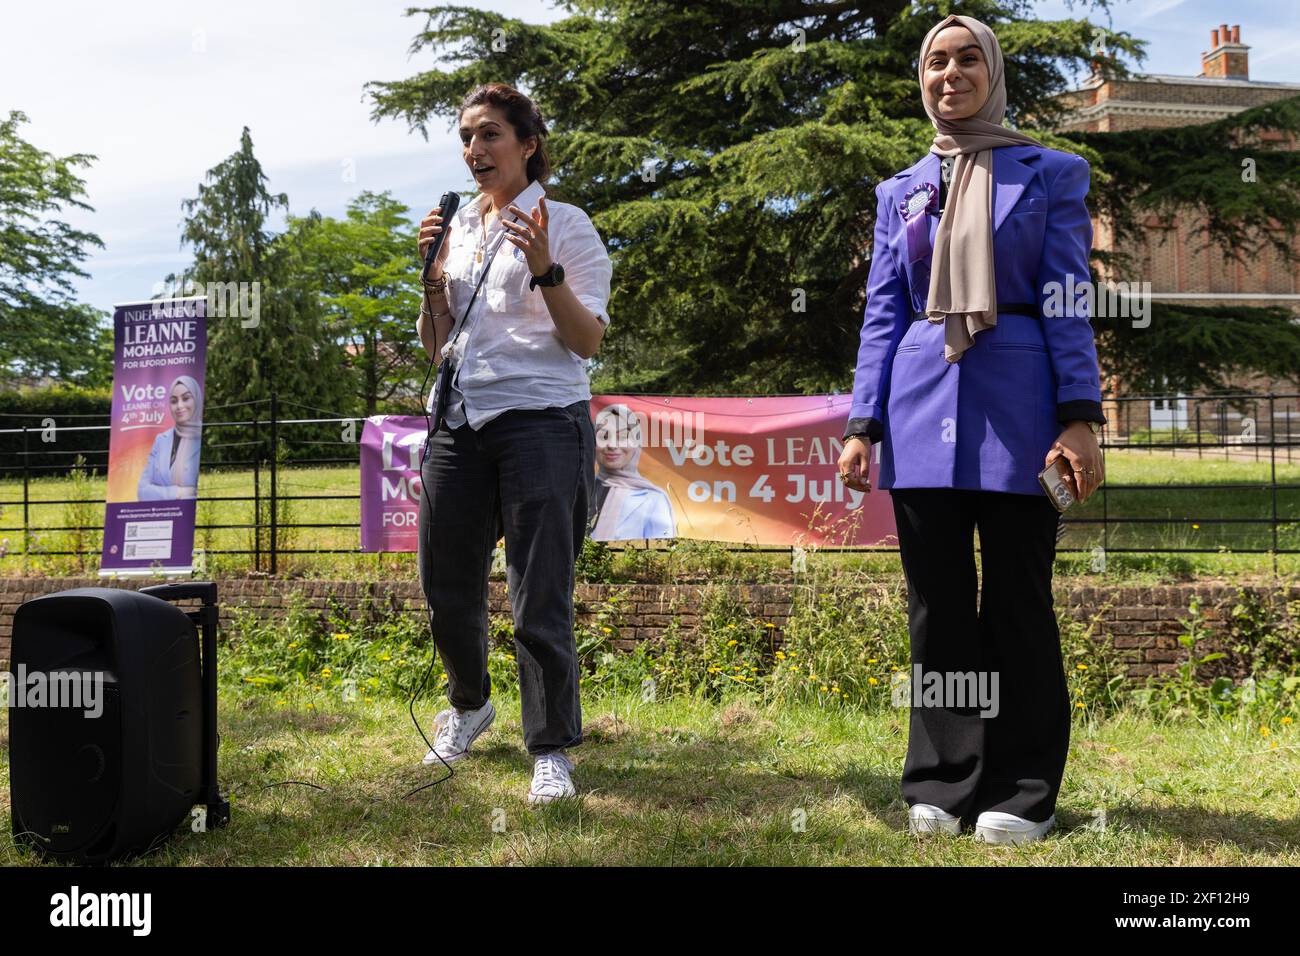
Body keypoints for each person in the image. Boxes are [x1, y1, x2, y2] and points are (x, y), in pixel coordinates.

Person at [837, 14, 1106, 845]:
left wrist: (1081, 417)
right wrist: (862, 422)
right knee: (940, 608)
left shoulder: (1053, 173)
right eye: (933, 62)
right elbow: (883, 313)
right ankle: (944, 782)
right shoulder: (899, 191)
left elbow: (1066, 296)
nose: (948, 74)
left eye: (965, 60)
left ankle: (1024, 792)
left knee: (1019, 603)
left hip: (1023, 416)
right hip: (921, 411)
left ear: (991, 70)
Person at [415, 82, 611, 805]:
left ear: (528, 145)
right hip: (458, 421)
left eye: (491, 134)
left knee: (540, 594)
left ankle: (551, 749)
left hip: (540, 422)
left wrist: (544, 270)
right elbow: (437, 346)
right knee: (444, 585)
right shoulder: (459, 224)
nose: (475, 150)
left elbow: (586, 339)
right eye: (467, 136)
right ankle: (469, 705)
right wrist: (433, 286)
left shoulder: (567, 224)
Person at [590, 404, 675, 541]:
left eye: (622, 437)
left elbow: (659, 555)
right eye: (604, 436)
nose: (612, 445)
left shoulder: (654, 500)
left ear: (636, 442)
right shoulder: (581, 491)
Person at [137, 375, 203, 500]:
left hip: (188, 516)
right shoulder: (161, 439)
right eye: (174, 401)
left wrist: (158, 493)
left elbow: (200, 492)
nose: (179, 406)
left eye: (186, 398)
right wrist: (179, 492)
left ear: (197, 399)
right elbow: (142, 491)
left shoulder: (202, 438)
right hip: (160, 515)